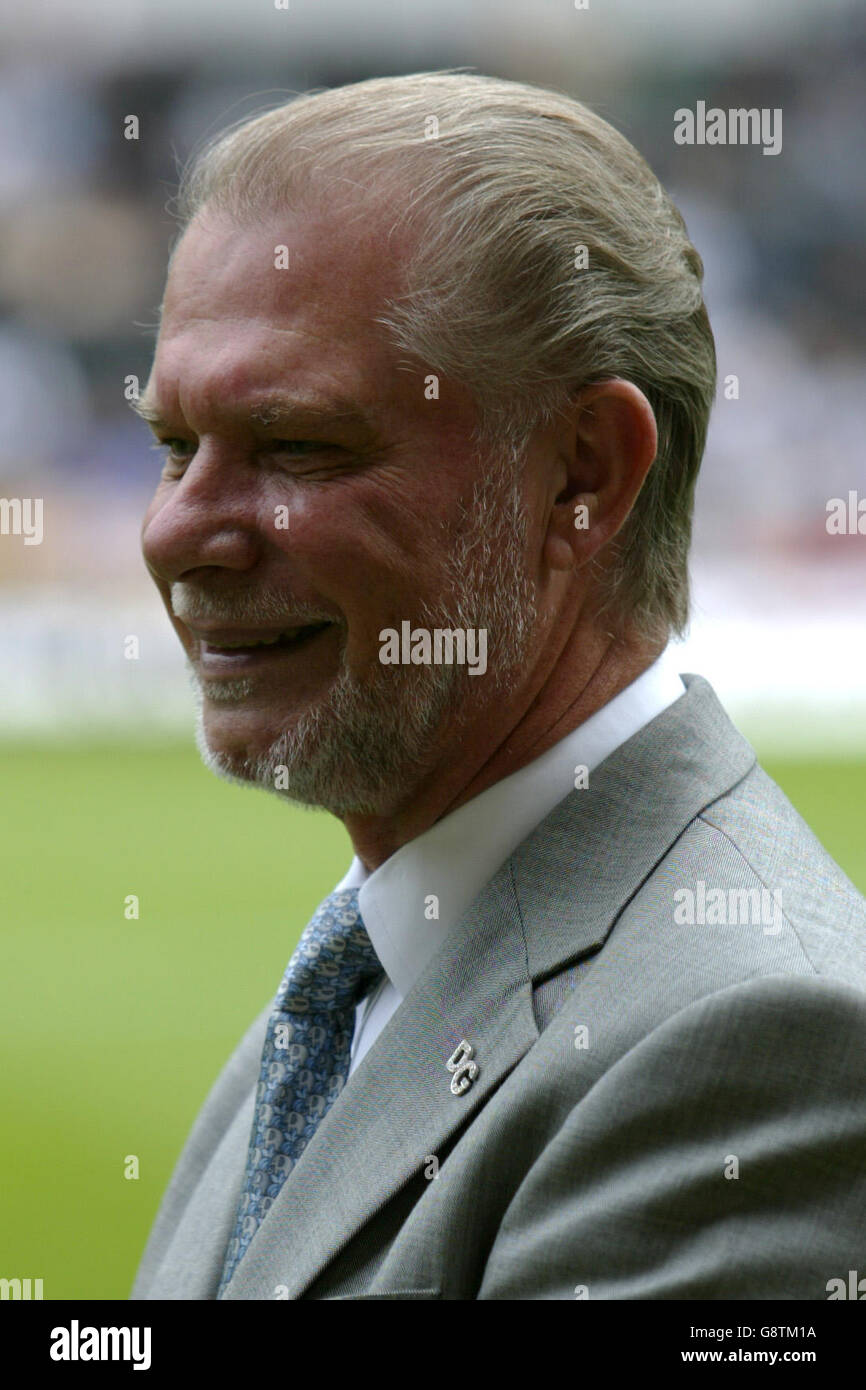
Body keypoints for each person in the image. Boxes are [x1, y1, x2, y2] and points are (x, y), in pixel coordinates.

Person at [130, 72, 866, 1301]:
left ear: (582, 474)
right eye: (173, 448)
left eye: (297, 445)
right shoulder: (364, 971)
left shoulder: (749, 1049)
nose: (176, 532)